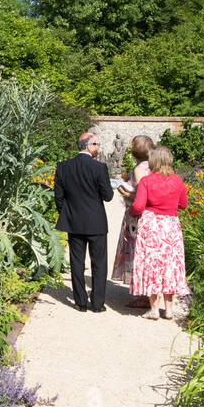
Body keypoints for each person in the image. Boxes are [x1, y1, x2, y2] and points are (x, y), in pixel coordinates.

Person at [53, 130, 114, 312]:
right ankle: (97, 303)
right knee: (99, 263)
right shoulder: (99, 168)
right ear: (88, 146)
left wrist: (67, 213)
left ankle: (80, 302)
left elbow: (58, 196)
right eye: (96, 144)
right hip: (96, 223)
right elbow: (108, 196)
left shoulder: (63, 166)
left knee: (77, 262)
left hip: (74, 222)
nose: (98, 147)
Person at [129, 144, 190, 320]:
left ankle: (154, 310)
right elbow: (183, 204)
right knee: (169, 266)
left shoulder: (147, 181)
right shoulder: (177, 180)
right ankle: (168, 310)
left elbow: (139, 206)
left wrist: (132, 212)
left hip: (151, 225)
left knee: (151, 265)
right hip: (171, 226)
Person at [112, 134, 154, 307]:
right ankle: (145, 293)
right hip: (145, 214)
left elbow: (141, 195)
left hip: (137, 215)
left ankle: (144, 296)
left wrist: (121, 189)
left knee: (137, 251)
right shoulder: (152, 165)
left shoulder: (139, 169)